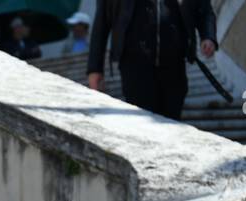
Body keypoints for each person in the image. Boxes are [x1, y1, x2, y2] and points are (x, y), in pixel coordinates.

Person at [87, 0, 218, 121]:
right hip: (134, 66)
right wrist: (95, 68)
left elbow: (205, 10)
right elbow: (101, 21)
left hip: (174, 65)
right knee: (142, 122)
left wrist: (208, 36)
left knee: (172, 121)